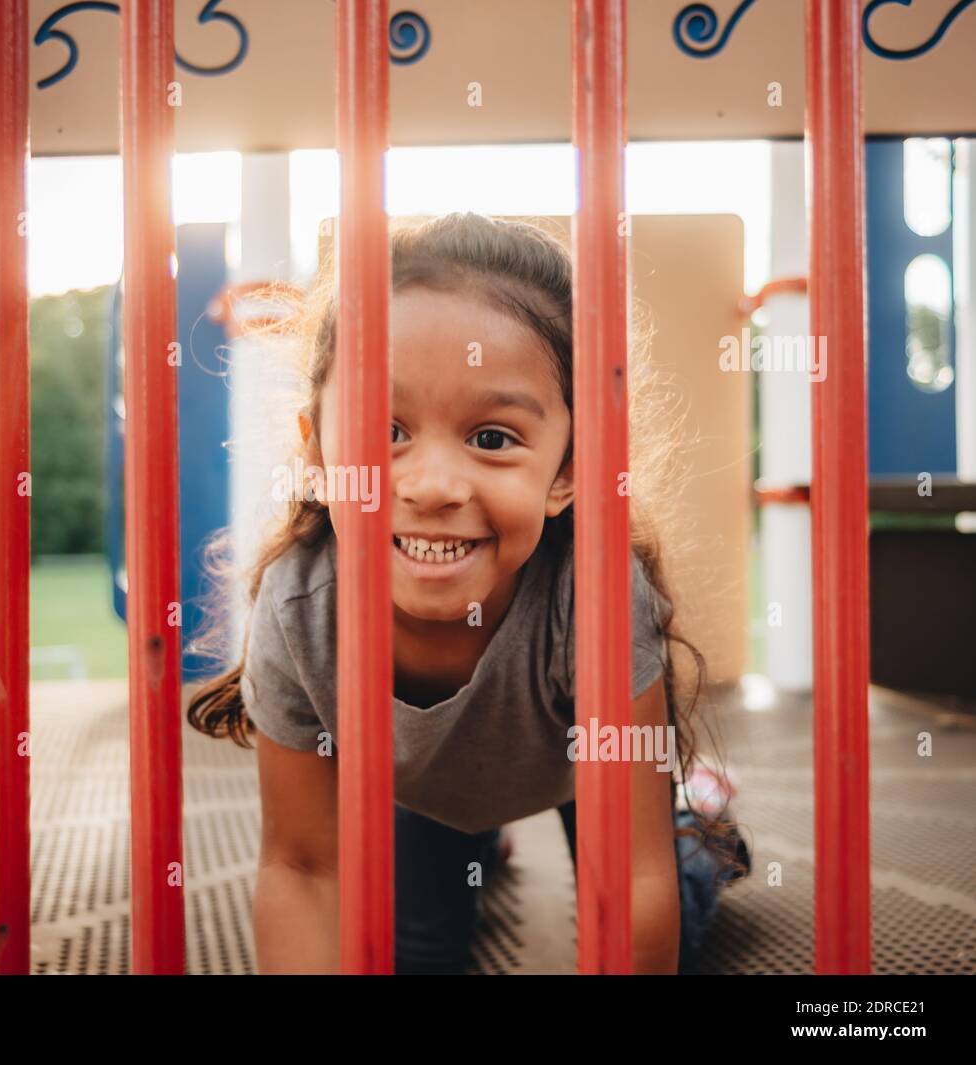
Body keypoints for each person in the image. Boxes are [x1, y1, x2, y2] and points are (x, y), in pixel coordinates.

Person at [187, 212, 751, 975]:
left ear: (567, 471)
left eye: (492, 437)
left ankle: (700, 819)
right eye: (385, 429)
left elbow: (634, 875)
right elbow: (303, 870)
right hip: (425, 786)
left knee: (668, 919)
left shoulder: (594, 594)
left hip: (574, 765)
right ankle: (480, 835)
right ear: (316, 453)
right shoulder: (302, 607)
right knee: (414, 951)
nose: (433, 486)